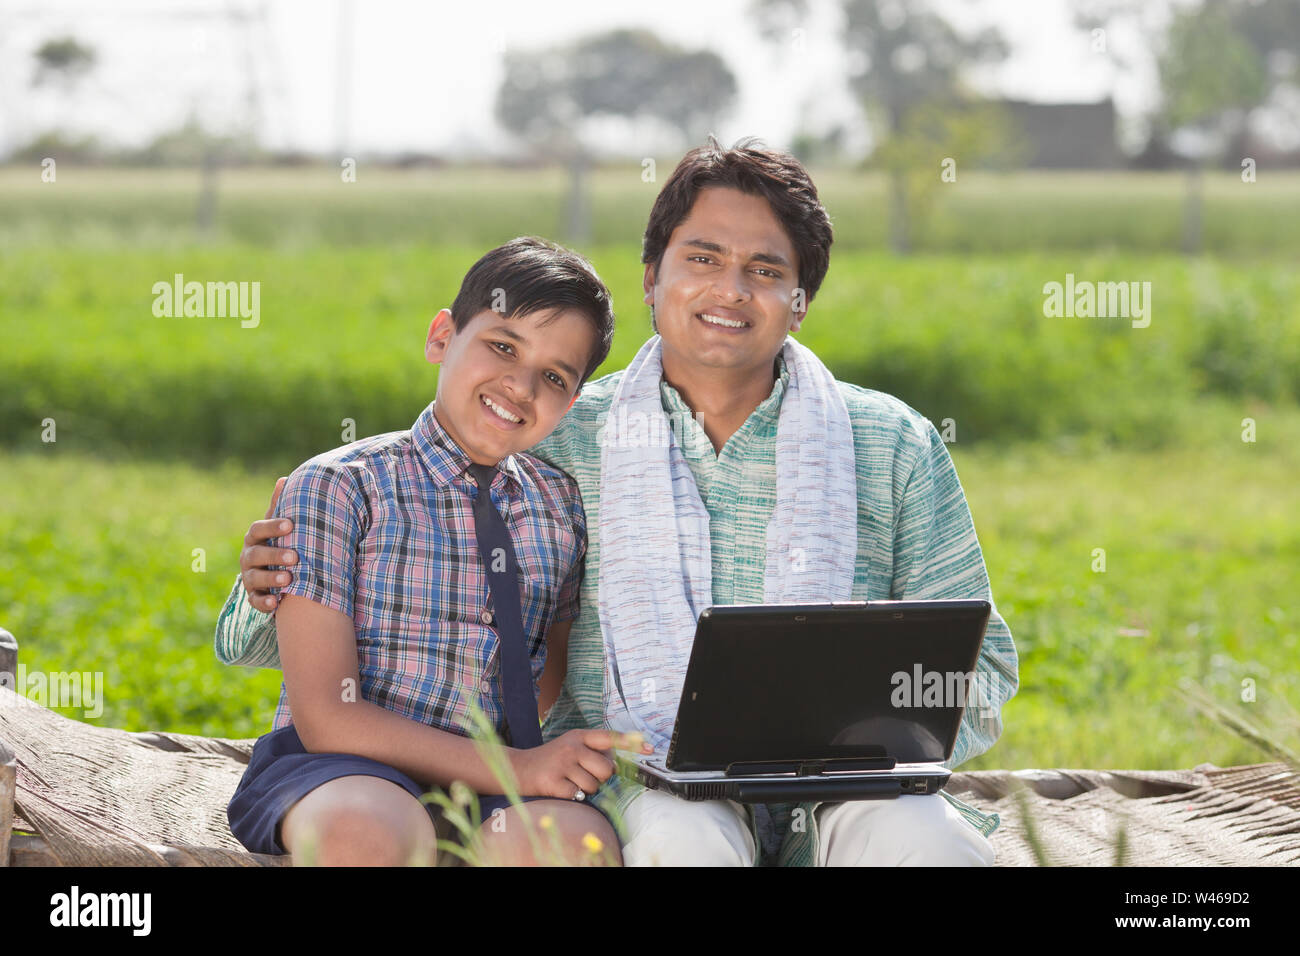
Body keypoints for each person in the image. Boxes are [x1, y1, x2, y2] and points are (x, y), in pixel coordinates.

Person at [222, 137, 1020, 867]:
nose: (730, 291)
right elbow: (415, 575)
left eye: (766, 271)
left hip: (851, 790)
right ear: (653, 278)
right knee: (682, 849)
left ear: (801, 300)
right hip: (644, 789)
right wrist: (265, 589)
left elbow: (980, 667)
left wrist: (869, 733)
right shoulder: (558, 431)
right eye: (702, 257)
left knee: (929, 850)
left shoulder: (891, 444)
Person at [223, 236, 650, 867]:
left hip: (495, 785)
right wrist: (519, 768)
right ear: (442, 337)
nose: (520, 384)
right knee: (364, 832)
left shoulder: (559, 507)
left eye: (555, 377)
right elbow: (327, 717)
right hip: (340, 768)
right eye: (503, 345)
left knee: (571, 845)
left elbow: (544, 669)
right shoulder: (340, 485)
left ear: (572, 401)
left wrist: (524, 771)